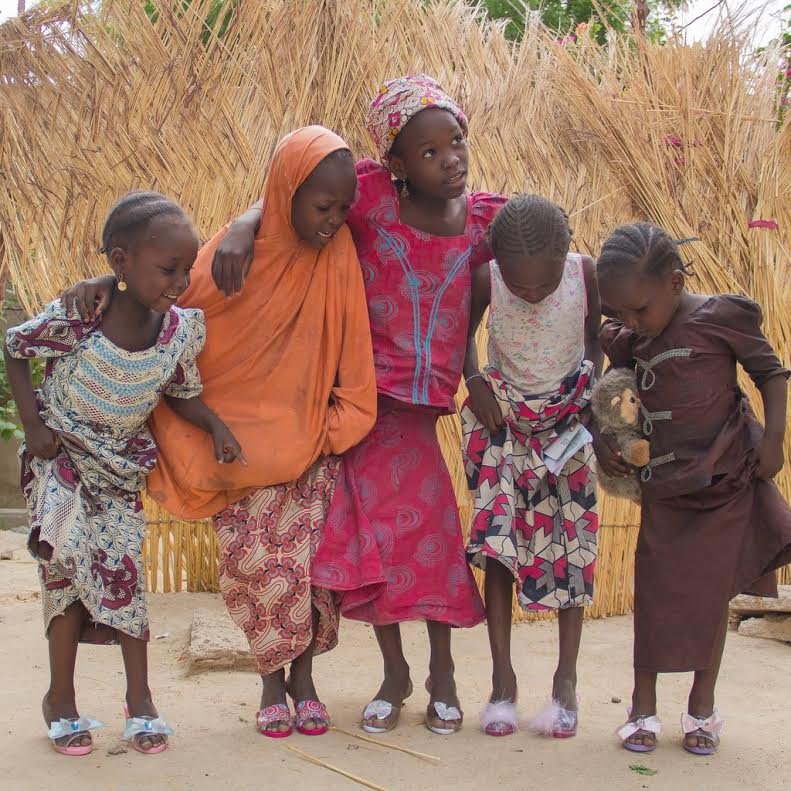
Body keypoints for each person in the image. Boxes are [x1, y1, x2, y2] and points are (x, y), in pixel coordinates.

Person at [210, 75, 506, 735]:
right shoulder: (368, 198)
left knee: (433, 541)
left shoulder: (486, 221)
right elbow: (292, 195)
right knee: (377, 549)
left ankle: (443, 673)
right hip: (364, 411)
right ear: (395, 163)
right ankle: (395, 673)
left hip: (421, 418)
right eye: (428, 152)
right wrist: (242, 225)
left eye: (456, 141)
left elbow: (544, 259)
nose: (450, 159)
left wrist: (474, 368)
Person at [59, 127, 377, 739]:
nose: (334, 220)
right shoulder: (230, 254)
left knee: (308, 573)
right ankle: (270, 684)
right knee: (258, 570)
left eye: (343, 208)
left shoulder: (337, 253)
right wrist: (107, 287)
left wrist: (327, 430)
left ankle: (304, 681)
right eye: (321, 206)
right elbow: (167, 311)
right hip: (234, 448)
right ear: (283, 192)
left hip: (309, 444)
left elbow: (353, 349)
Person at [5, 191, 243, 755]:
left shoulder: (180, 329)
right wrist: (32, 424)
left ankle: (141, 702)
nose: (180, 281)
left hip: (118, 469)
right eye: (167, 269)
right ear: (120, 262)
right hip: (60, 459)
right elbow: (16, 348)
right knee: (65, 576)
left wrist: (215, 426)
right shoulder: (84, 313)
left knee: (125, 579)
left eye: (186, 269)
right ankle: (60, 700)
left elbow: (181, 392)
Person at [593, 222, 791, 756]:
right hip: (665, 488)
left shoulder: (721, 318)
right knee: (654, 596)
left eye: (639, 310)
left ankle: (701, 708)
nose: (632, 323)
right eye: (621, 314)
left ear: (676, 284)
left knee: (708, 599)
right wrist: (604, 439)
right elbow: (610, 393)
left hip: (724, 480)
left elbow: (770, 373)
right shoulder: (634, 334)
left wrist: (775, 441)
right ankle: (642, 707)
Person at [461, 194, 601, 738]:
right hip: (502, 420)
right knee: (499, 543)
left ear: (563, 259)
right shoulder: (488, 278)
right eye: (522, 289)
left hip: (568, 423)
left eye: (544, 286)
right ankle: (503, 681)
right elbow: (464, 336)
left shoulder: (584, 274)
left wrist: (587, 396)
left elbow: (595, 338)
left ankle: (566, 681)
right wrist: (475, 383)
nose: (535, 295)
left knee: (574, 545)